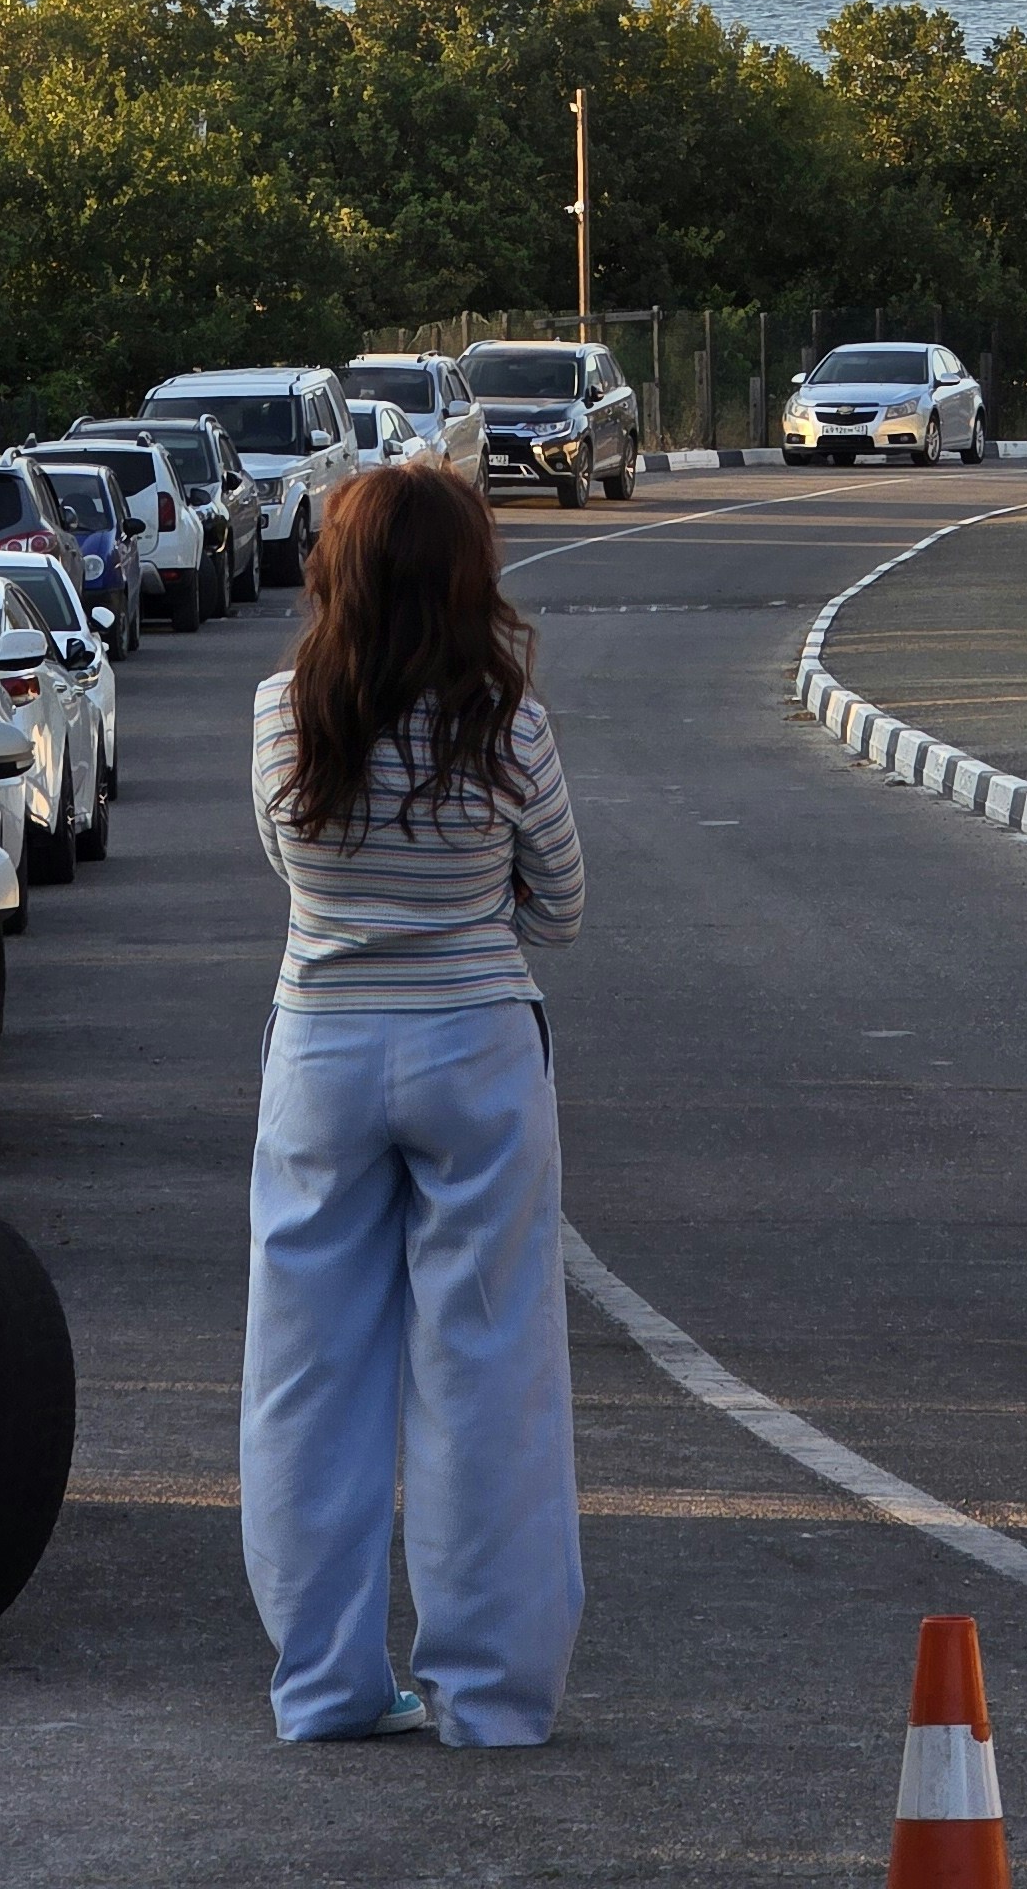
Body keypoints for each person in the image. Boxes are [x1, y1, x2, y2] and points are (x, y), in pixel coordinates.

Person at [239, 459, 587, 1746]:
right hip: (479, 1049)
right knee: (489, 1368)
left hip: (320, 1051)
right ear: (467, 577)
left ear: (334, 569)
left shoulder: (284, 713)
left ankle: (322, 1686)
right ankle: (489, 1697)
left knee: (307, 1373)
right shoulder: (508, 724)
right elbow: (562, 901)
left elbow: (290, 867)